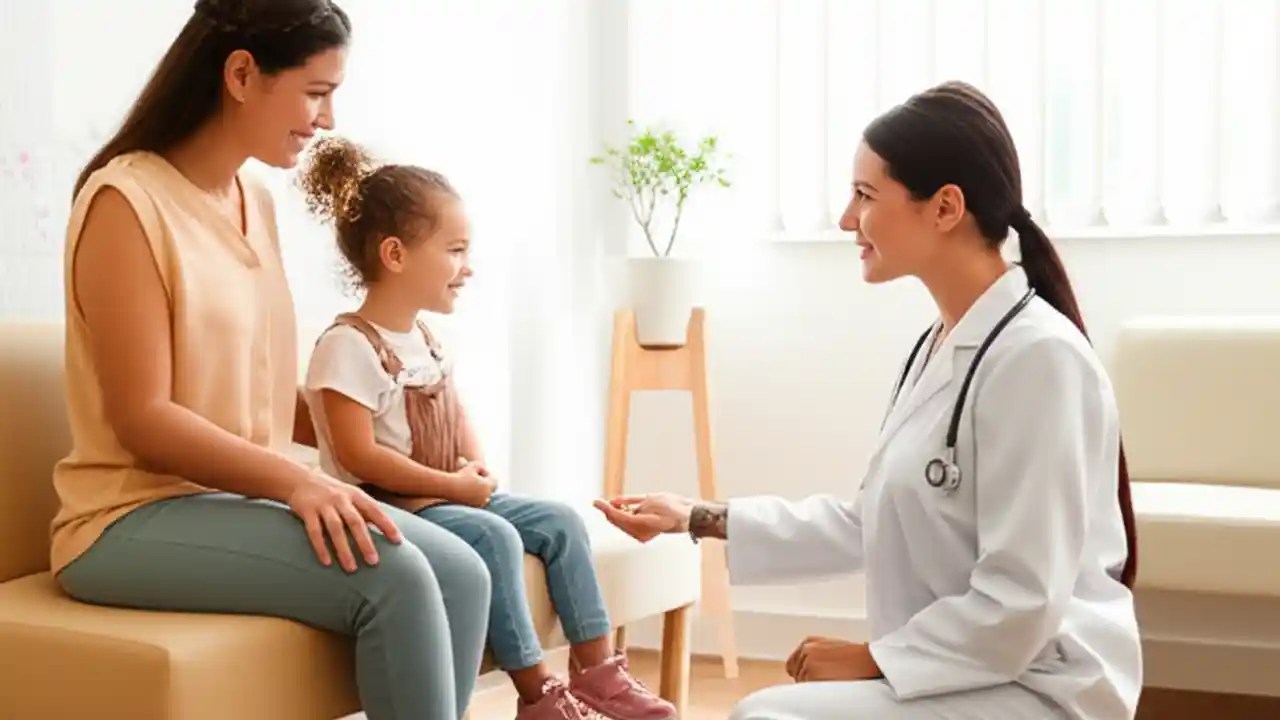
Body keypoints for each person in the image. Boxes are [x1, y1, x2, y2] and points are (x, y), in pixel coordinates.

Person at [596, 81, 1142, 720]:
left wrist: (876, 657)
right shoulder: (943, 346)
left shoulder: (1039, 361)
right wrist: (696, 517)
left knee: (765, 716)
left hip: (1041, 685)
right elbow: (871, 520)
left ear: (944, 208)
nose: (846, 218)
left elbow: (1023, 600)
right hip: (971, 671)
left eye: (865, 195)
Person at [52, 2, 492, 718]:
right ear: (242, 74)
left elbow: (255, 388)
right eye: (316, 92)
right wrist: (296, 482)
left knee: (465, 573)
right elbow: (144, 419)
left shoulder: (254, 198)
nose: (327, 120)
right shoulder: (124, 203)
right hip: (128, 517)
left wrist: (387, 441)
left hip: (235, 500)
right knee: (400, 578)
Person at [296, 135, 677, 720]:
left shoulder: (423, 338)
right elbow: (360, 456)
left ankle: (599, 672)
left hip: (446, 493)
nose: (467, 268)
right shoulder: (346, 346)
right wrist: (454, 489)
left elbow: (456, 412)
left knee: (558, 519)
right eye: (454, 251)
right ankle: (537, 694)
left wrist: (476, 471)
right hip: (391, 504)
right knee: (494, 537)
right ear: (395, 255)